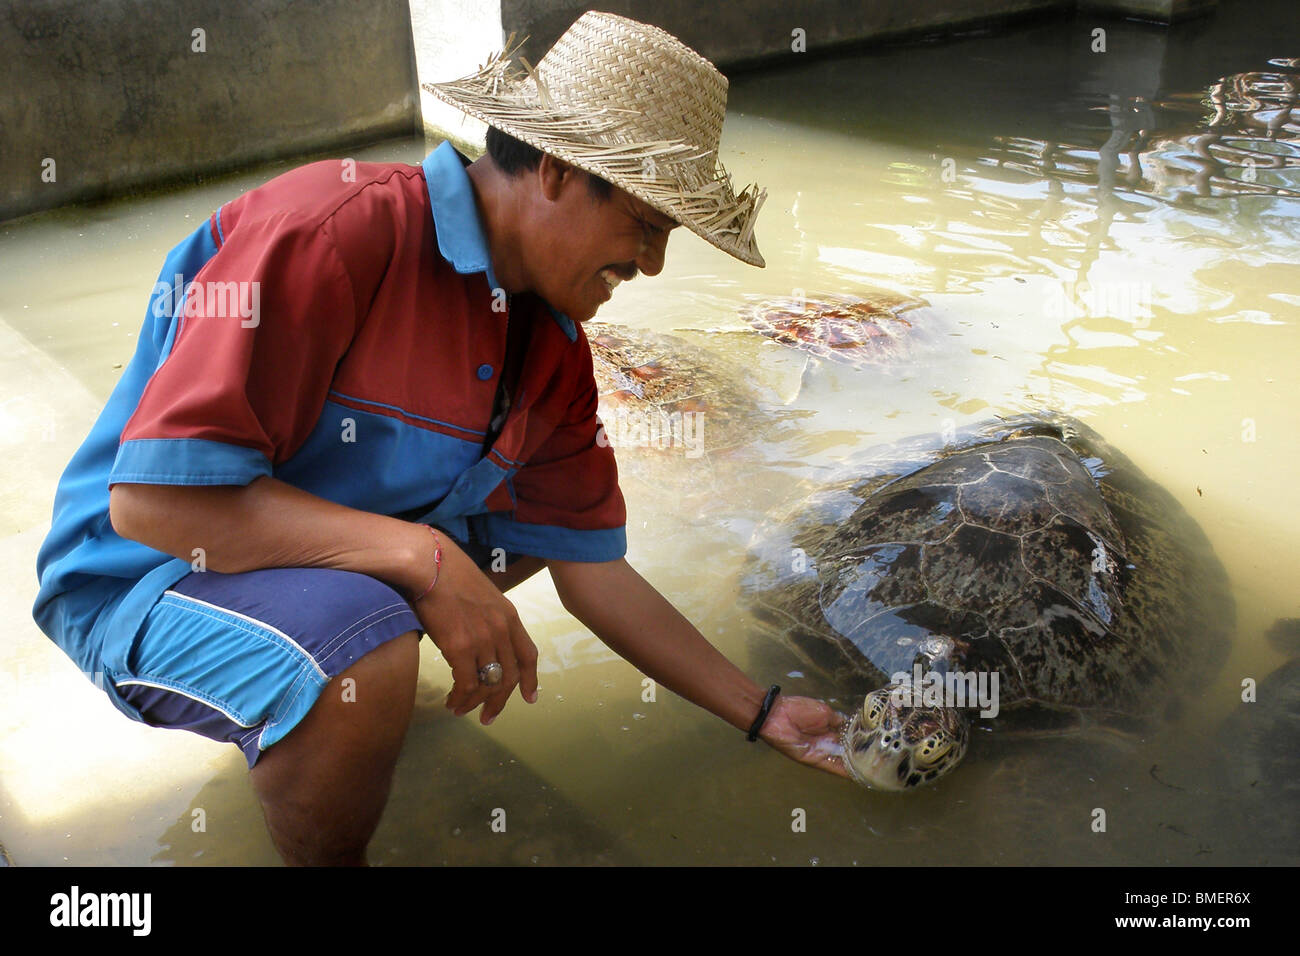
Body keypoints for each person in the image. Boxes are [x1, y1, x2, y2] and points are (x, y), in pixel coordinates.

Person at [32, 11, 847, 866]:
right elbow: (153, 503)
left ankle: (341, 682)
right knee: (369, 653)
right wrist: (421, 560)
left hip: (302, 563)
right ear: (563, 171)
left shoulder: (554, 348)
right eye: (647, 226)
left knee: (513, 540)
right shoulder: (334, 231)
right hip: (140, 578)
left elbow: (590, 568)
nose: (652, 266)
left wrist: (762, 712)